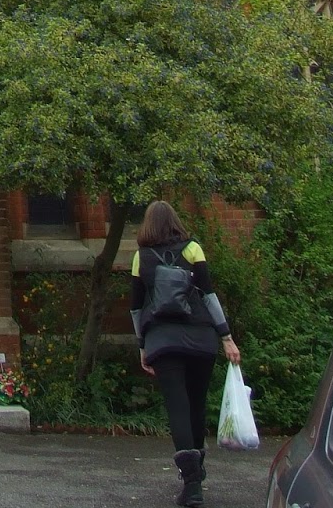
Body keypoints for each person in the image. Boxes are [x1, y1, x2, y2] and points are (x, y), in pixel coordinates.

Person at [131, 200, 241, 507]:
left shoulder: (141, 258)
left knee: (177, 407)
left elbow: (137, 307)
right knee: (196, 404)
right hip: (201, 338)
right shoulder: (193, 249)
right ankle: (198, 469)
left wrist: (142, 345)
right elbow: (208, 296)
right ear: (175, 221)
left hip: (163, 341)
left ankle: (192, 484)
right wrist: (227, 337)